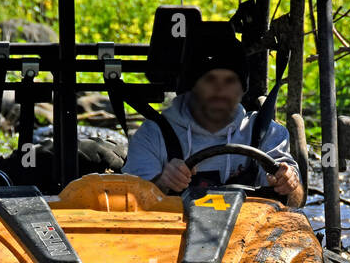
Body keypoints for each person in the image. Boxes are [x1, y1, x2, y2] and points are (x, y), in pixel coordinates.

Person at [122, 35, 305, 207]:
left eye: (229, 80)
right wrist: (161, 183)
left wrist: (289, 183)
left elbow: (295, 202)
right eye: (209, 80)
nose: (220, 90)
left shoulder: (266, 133)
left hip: (250, 235)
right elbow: (126, 204)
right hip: (169, 235)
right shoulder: (152, 135)